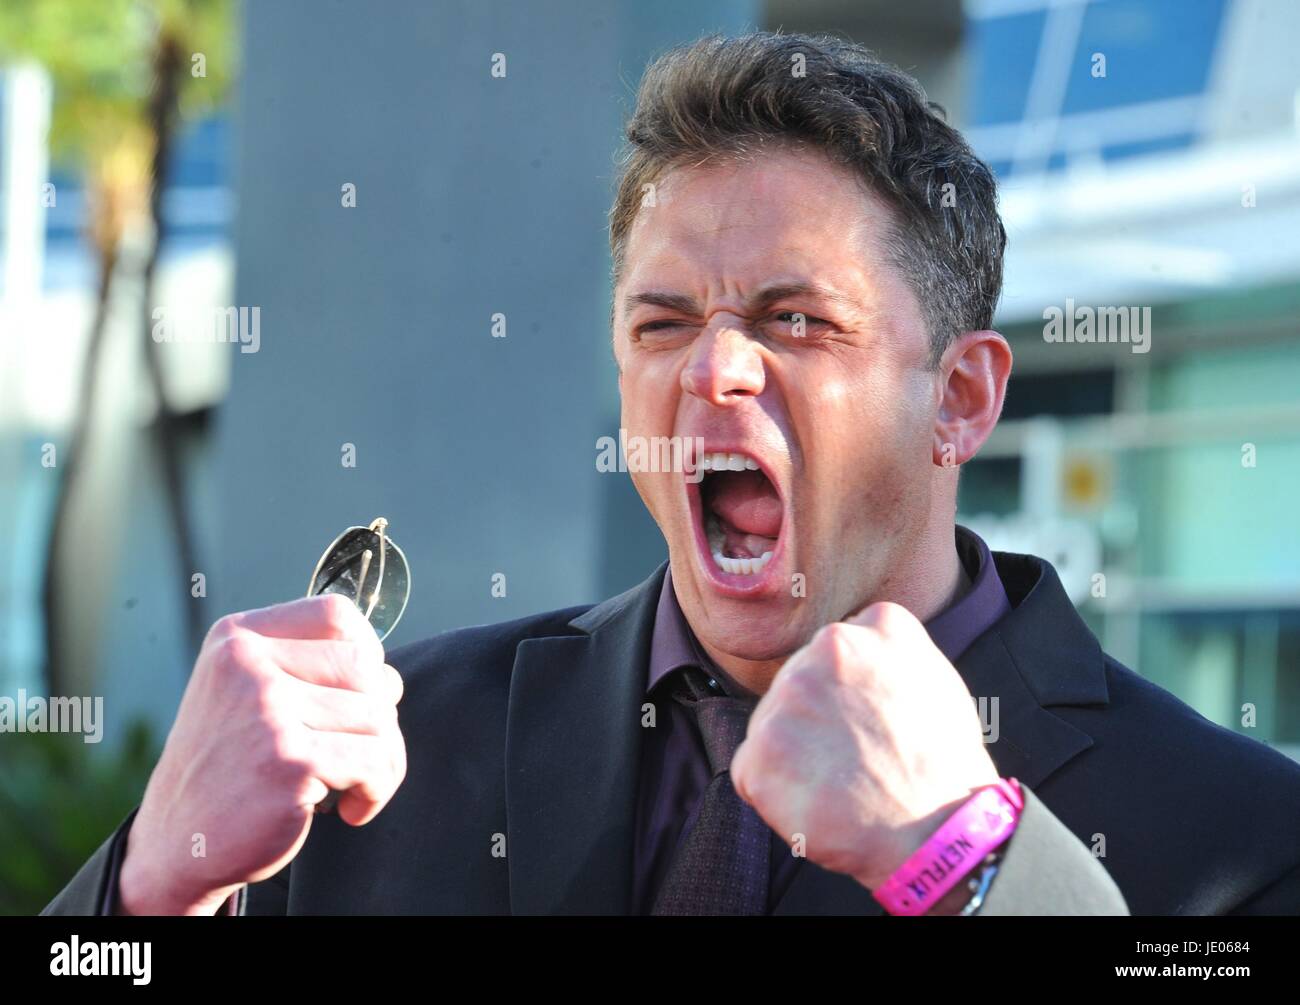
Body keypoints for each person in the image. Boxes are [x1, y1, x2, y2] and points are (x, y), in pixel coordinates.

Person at [44, 31, 1300, 917]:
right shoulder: (391, 753)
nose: (715, 372)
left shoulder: (1243, 834)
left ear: (960, 398)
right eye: (660, 323)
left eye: (795, 319)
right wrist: (154, 879)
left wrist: (969, 866)